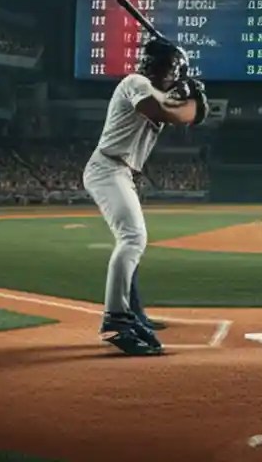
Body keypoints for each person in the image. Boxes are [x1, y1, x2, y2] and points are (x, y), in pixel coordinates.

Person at [82, 38, 209, 356]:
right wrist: (190, 96)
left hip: (121, 172)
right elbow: (164, 111)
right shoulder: (135, 83)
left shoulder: (156, 91)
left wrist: (191, 99)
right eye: (166, 66)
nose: (161, 70)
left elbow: (188, 115)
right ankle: (116, 321)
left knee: (131, 243)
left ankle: (133, 314)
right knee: (133, 238)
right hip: (108, 167)